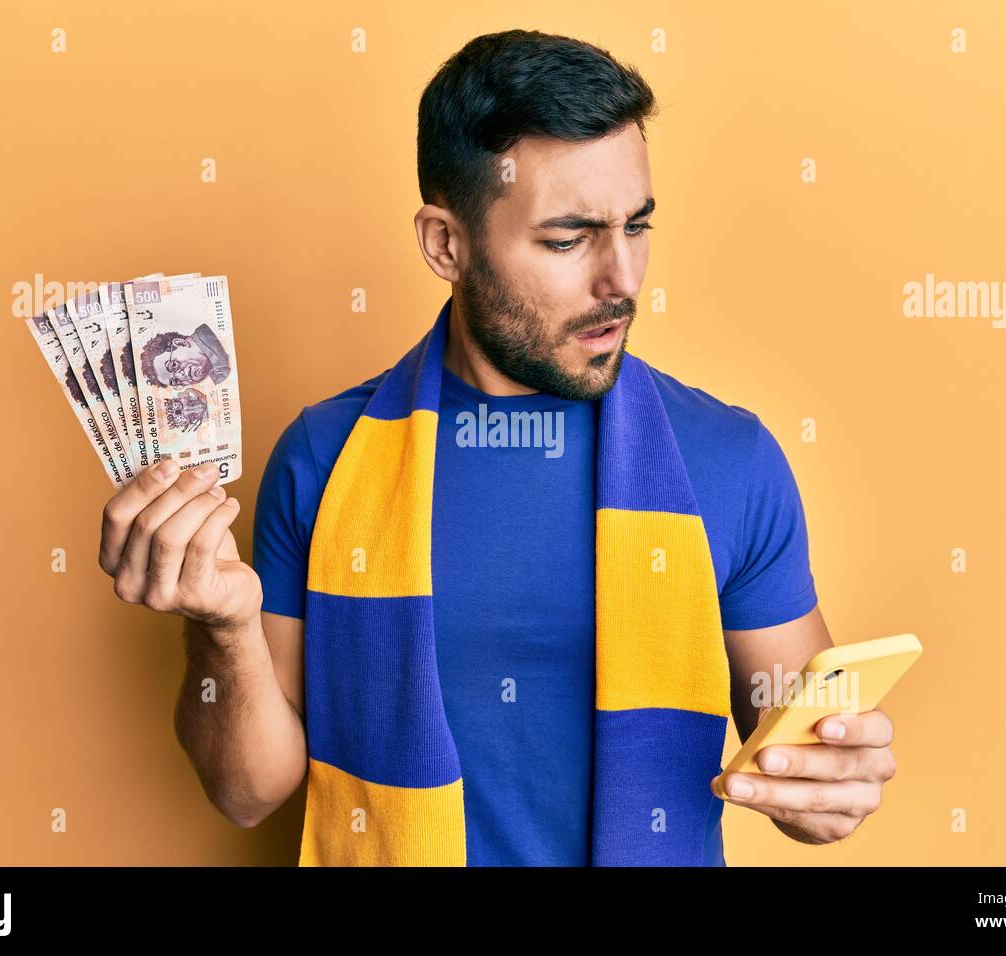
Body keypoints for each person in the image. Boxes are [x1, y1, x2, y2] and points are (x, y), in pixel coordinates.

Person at [98, 29, 897, 866]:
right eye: (568, 239)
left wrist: (828, 783)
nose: (621, 278)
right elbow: (246, 790)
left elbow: (800, 748)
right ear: (446, 244)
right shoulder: (323, 457)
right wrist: (221, 629)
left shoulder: (730, 460)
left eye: (638, 225)